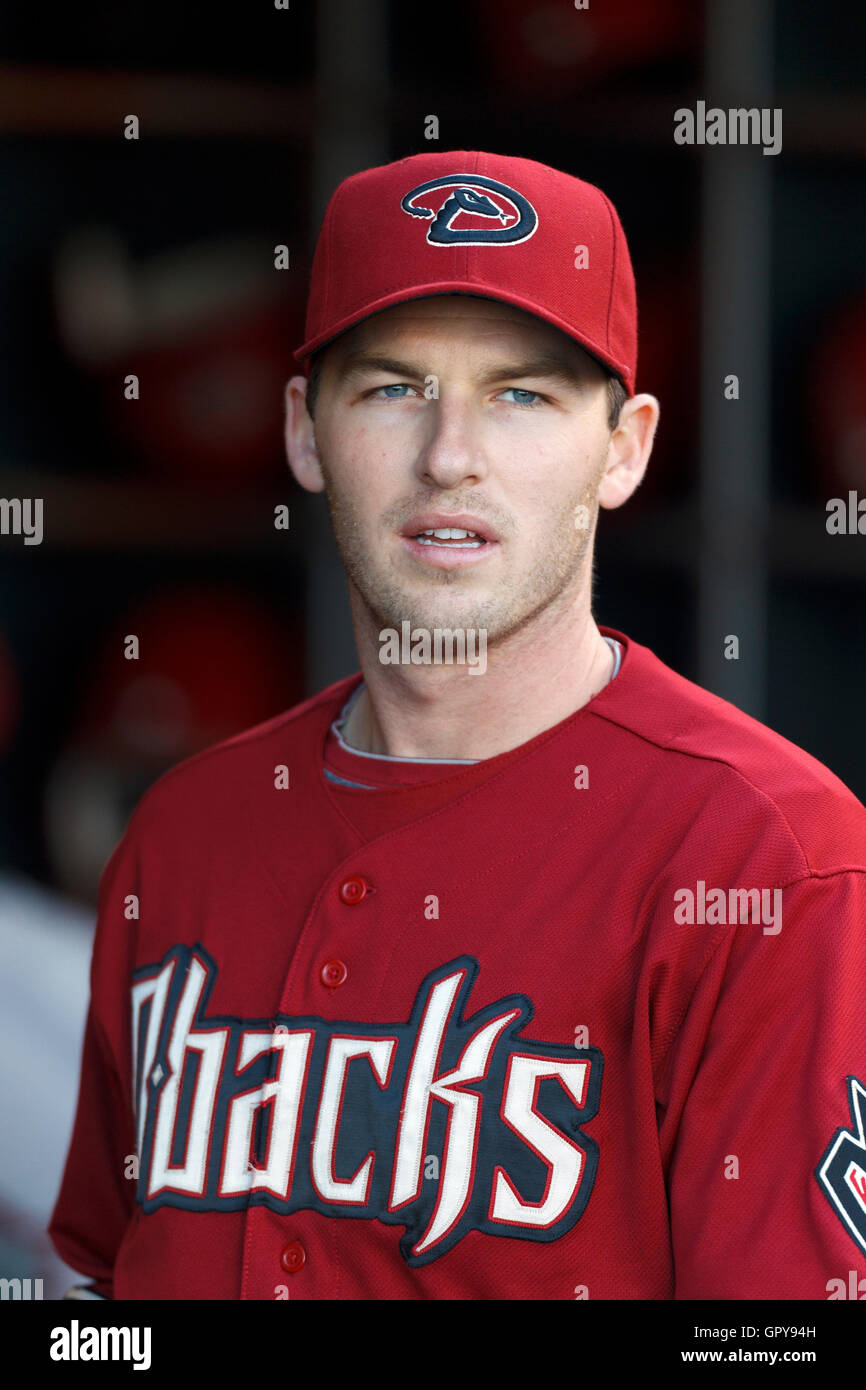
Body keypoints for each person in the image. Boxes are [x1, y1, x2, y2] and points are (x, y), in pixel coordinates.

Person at [50, 151, 866, 1300]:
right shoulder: (182, 834)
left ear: (623, 446)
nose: (448, 456)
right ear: (303, 430)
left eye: (520, 394)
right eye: (391, 387)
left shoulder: (765, 860)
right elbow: (99, 1285)